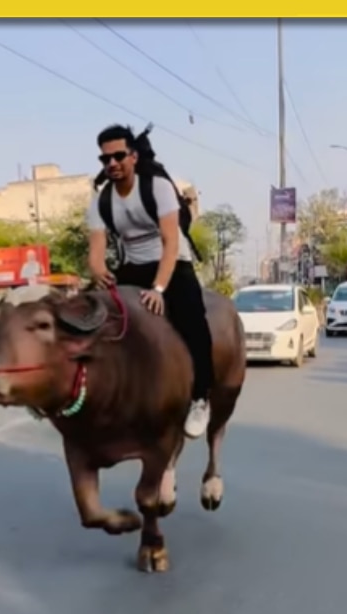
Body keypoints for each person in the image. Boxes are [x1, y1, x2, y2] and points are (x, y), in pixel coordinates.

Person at [86, 124, 213, 439]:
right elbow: (96, 252)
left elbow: (171, 242)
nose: (112, 163)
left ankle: (200, 398)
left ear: (133, 156)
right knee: (91, 315)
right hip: (133, 266)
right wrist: (98, 271)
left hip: (173, 263)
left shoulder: (158, 187)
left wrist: (158, 289)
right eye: (105, 159)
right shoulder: (101, 201)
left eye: (118, 156)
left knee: (193, 322)